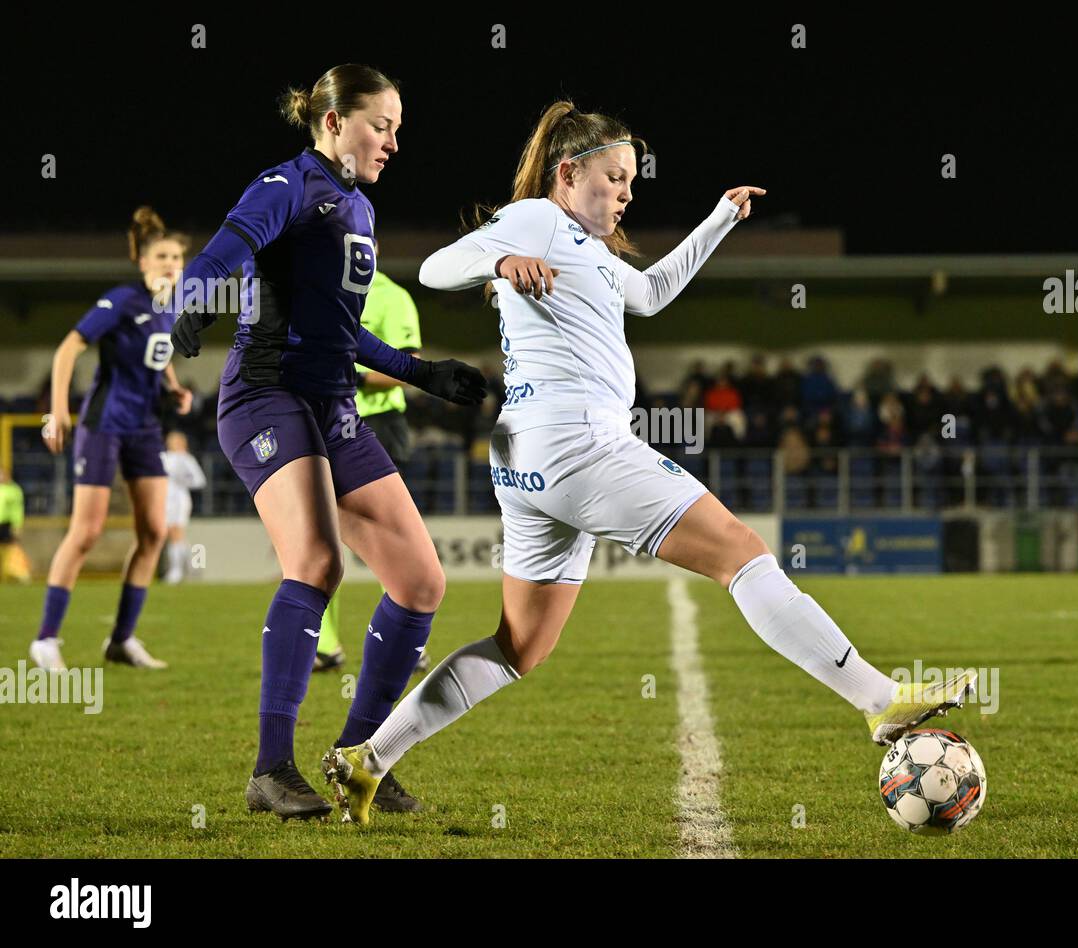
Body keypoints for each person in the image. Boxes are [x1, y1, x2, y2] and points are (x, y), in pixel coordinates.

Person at [322, 101, 976, 824]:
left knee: (519, 647)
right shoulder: (539, 218)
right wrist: (501, 257)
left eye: (632, 179)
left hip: (527, 457)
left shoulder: (591, 252)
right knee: (743, 552)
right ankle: (880, 701)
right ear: (569, 174)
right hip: (578, 442)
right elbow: (442, 266)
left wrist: (719, 219)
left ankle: (367, 760)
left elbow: (654, 293)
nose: (628, 191)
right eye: (615, 176)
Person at [168, 63, 486, 820]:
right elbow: (225, 248)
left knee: (421, 582)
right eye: (382, 125)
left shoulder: (358, 209)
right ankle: (270, 767)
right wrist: (192, 300)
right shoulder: (288, 185)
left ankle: (358, 759)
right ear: (335, 121)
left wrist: (421, 373)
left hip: (333, 405)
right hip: (265, 398)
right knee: (314, 561)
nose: (393, 142)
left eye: (398, 128)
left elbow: (343, 334)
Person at [30, 207, 194, 671]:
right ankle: (45, 639)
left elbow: (158, 355)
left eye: (177, 258)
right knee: (86, 532)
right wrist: (58, 411)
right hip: (103, 424)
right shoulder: (122, 300)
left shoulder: (169, 310)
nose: (170, 264)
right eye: (162, 255)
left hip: (144, 428)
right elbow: (69, 348)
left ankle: (121, 640)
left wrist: (174, 387)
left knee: (154, 533)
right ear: (142, 261)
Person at [313, 255, 424, 673]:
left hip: (377, 423)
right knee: (322, 537)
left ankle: (405, 641)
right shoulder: (322, 292)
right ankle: (324, 646)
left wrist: (353, 377)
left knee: (389, 538)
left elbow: (408, 367)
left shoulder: (392, 297)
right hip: (325, 419)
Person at [161, 430, 206, 583]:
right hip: (165, 500)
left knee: (176, 531)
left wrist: (184, 480)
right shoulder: (163, 457)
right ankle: (193, 563)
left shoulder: (187, 459)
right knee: (171, 534)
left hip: (180, 500)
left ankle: (176, 571)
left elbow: (200, 480)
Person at [0, 466, 32, 584]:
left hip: (6, 524)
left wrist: (17, 525)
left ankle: (21, 573)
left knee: (13, 548)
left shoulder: (14, 490)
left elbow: (17, 510)